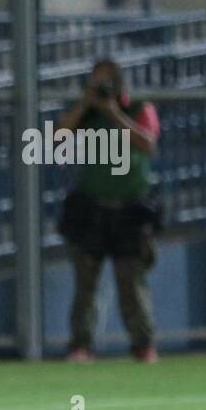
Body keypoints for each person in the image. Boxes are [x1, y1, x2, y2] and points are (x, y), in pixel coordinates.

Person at [55, 58, 162, 362]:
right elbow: (58, 136)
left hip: (130, 208)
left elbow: (148, 143)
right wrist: (86, 104)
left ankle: (143, 344)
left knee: (132, 282)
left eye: (106, 82)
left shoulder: (138, 107)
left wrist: (114, 112)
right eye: (95, 82)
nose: (101, 88)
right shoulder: (85, 112)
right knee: (85, 284)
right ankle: (81, 345)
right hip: (92, 207)